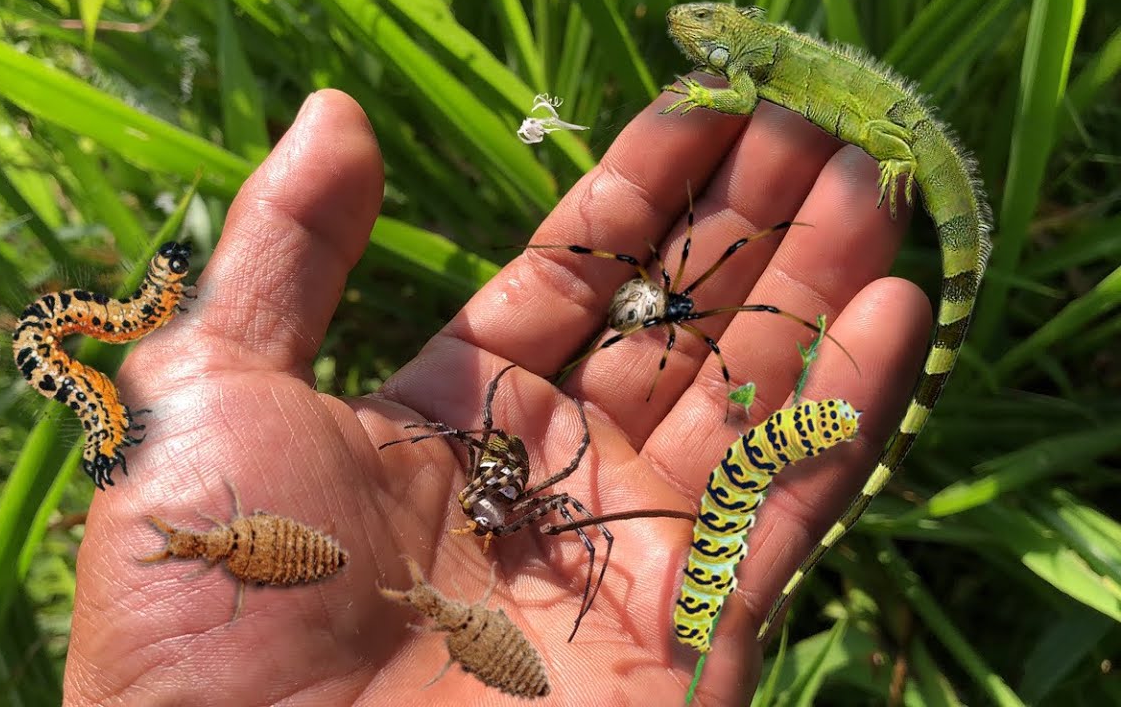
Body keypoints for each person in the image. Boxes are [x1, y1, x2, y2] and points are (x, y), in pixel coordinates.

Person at [63, 88, 929, 706]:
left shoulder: (517, 498)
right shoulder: (498, 494)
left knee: (588, 509)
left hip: (537, 449)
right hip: (516, 465)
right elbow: (504, 457)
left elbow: (553, 469)